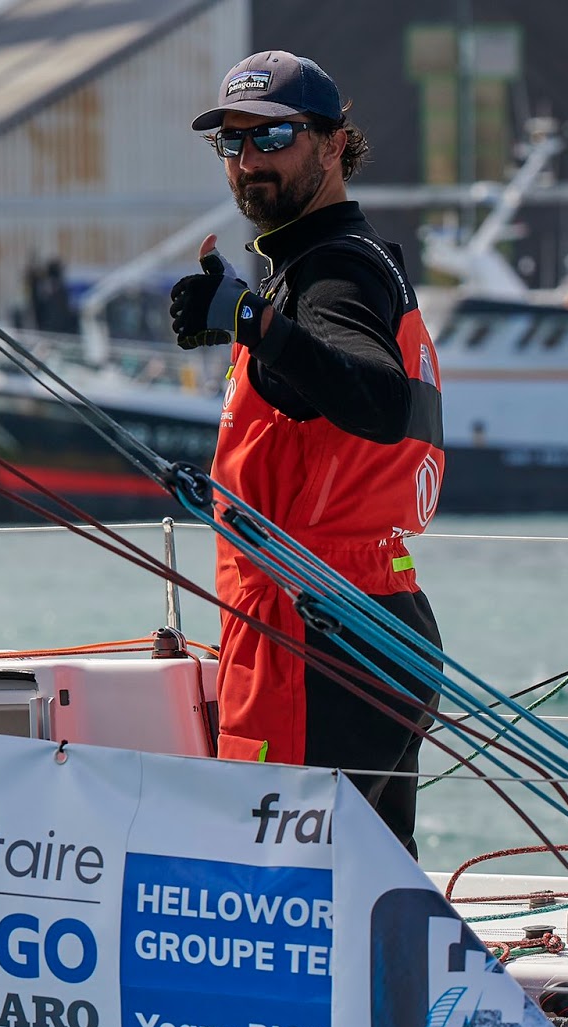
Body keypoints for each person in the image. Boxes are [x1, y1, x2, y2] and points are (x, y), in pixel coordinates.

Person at [167, 50, 445, 856]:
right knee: (372, 880)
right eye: (232, 142)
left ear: (333, 143)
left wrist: (254, 323)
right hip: (370, 616)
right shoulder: (340, 262)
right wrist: (252, 320)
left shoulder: (334, 272)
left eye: (274, 137)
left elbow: (380, 402)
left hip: (315, 630)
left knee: (286, 885)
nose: (250, 161)